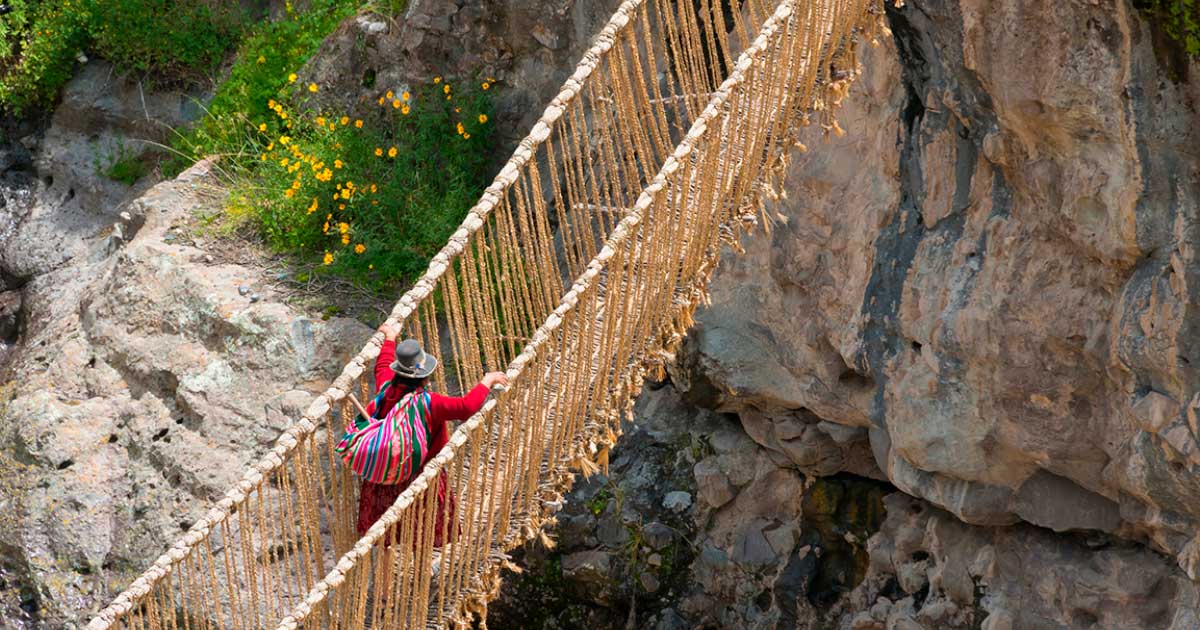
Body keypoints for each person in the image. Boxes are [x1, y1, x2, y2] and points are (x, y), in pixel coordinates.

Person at [356, 322, 509, 544]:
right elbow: (466, 407)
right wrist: (488, 380)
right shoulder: (430, 403)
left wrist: (389, 338)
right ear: (424, 377)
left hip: (384, 474)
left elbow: (382, 366)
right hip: (421, 477)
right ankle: (421, 563)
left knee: (386, 531)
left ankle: (387, 562)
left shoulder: (385, 388)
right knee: (422, 531)